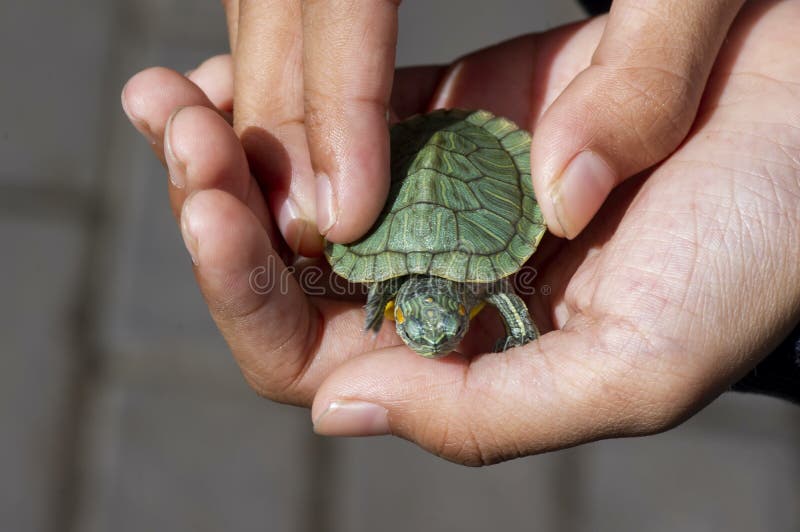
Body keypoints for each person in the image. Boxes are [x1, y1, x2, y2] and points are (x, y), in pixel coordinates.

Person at [121, 0, 799, 465]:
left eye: (428, 327)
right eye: (422, 324)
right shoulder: (410, 288)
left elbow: (501, 293)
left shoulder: (483, 288)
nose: (428, 337)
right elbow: (395, 274)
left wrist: (519, 327)